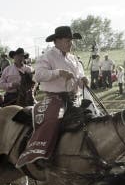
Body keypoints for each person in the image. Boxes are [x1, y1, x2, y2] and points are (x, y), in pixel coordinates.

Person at [16, 26, 88, 169]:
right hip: (55, 98)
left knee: (91, 114)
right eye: (68, 40)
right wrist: (58, 72)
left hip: (74, 97)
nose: (71, 43)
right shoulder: (47, 56)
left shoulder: (74, 59)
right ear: (58, 41)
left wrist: (84, 80)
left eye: (71, 41)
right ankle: (39, 153)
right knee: (53, 118)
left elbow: (80, 77)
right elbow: (38, 76)